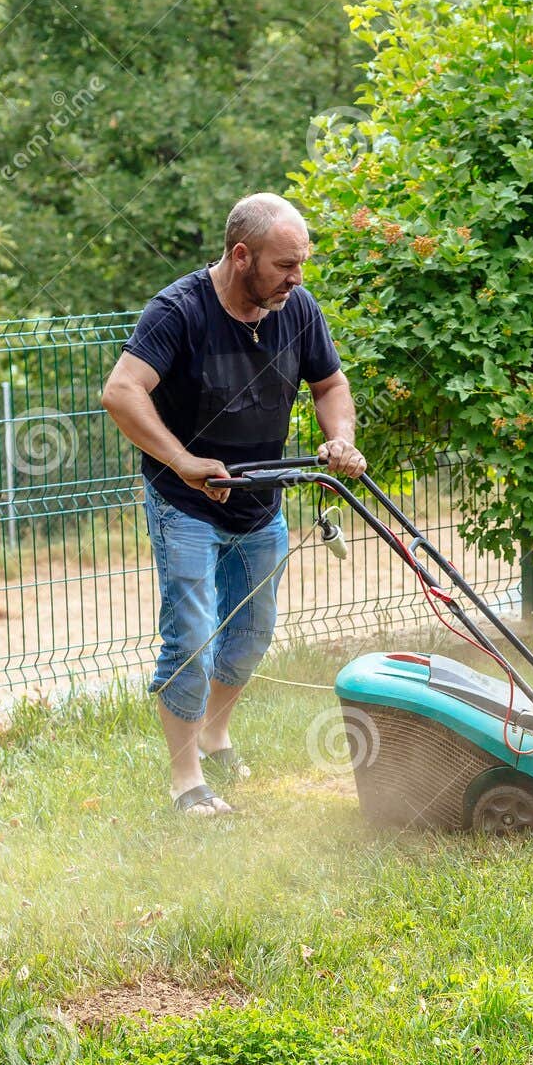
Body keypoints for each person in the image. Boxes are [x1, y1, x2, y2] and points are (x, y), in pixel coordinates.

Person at [102, 191, 366, 816]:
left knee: (250, 635)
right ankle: (186, 778)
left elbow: (330, 384)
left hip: (259, 504)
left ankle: (217, 733)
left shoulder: (297, 308)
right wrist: (186, 464)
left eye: (301, 264)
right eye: (284, 265)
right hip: (185, 505)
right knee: (190, 636)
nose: (296, 279)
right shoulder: (179, 311)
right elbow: (121, 392)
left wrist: (341, 438)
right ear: (241, 255)